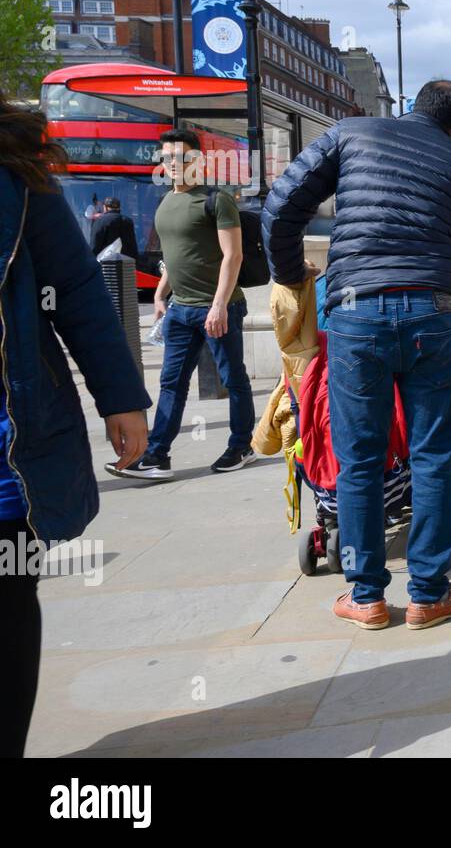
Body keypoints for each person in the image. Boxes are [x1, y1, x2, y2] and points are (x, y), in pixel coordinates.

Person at [262, 79, 451, 632]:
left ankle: (366, 596)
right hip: (432, 313)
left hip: (354, 312)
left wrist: (292, 276)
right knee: (432, 454)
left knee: (359, 456)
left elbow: (279, 208)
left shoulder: (348, 134)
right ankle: (429, 594)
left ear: (414, 109)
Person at [0, 95, 151, 757]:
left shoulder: (17, 176)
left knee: (7, 589)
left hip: (9, 439)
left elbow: (79, 289)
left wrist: (120, 396)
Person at [109, 130, 256, 481]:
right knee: (171, 383)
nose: (173, 164)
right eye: (168, 158)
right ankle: (157, 456)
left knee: (233, 379)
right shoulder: (166, 203)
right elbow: (178, 257)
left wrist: (219, 305)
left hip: (217, 308)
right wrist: (161, 293)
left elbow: (232, 256)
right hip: (180, 310)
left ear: (197, 162)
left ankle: (241, 446)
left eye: (181, 158)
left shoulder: (216, 199)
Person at [90, 196, 139, 263]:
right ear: (119, 208)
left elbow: (94, 246)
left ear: (105, 208)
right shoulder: (128, 221)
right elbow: (133, 248)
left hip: (106, 267)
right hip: (126, 267)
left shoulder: (100, 221)